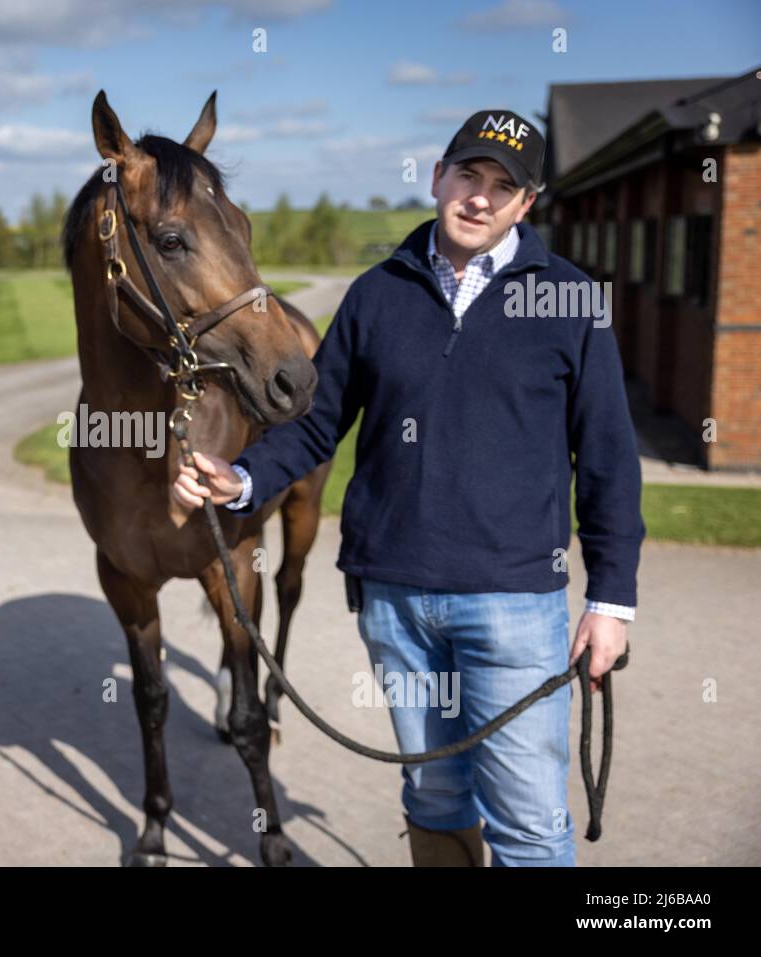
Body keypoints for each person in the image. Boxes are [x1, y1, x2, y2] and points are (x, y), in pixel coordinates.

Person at [171, 109, 643, 867]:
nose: (480, 198)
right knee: (435, 797)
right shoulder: (376, 293)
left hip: (514, 603)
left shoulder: (570, 299)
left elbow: (610, 460)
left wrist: (610, 601)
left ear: (529, 203)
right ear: (437, 178)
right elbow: (318, 423)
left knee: (527, 823)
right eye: (468, 175)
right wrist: (245, 474)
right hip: (395, 602)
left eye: (504, 186)